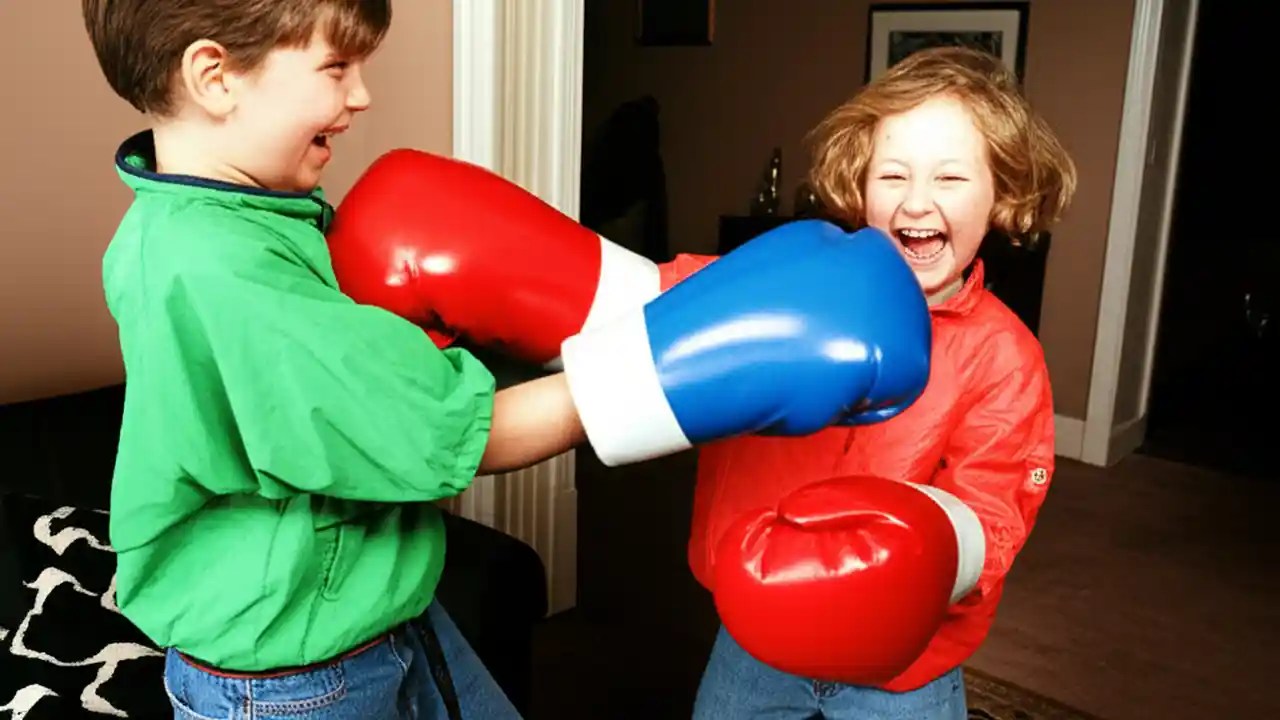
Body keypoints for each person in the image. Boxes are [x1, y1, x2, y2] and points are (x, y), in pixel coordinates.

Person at [81, 1, 936, 717]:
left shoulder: (210, 221)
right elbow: (445, 433)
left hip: (361, 614)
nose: (361, 95)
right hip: (297, 678)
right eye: (335, 69)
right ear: (214, 75)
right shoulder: (223, 270)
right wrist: (665, 374)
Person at [675, 46, 1078, 719]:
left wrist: (918, 556)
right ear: (860, 186)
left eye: (950, 178)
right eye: (892, 174)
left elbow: (991, 511)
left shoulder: (1005, 358)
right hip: (758, 638)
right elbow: (682, 304)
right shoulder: (797, 293)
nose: (916, 200)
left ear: (1003, 195)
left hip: (903, 668)